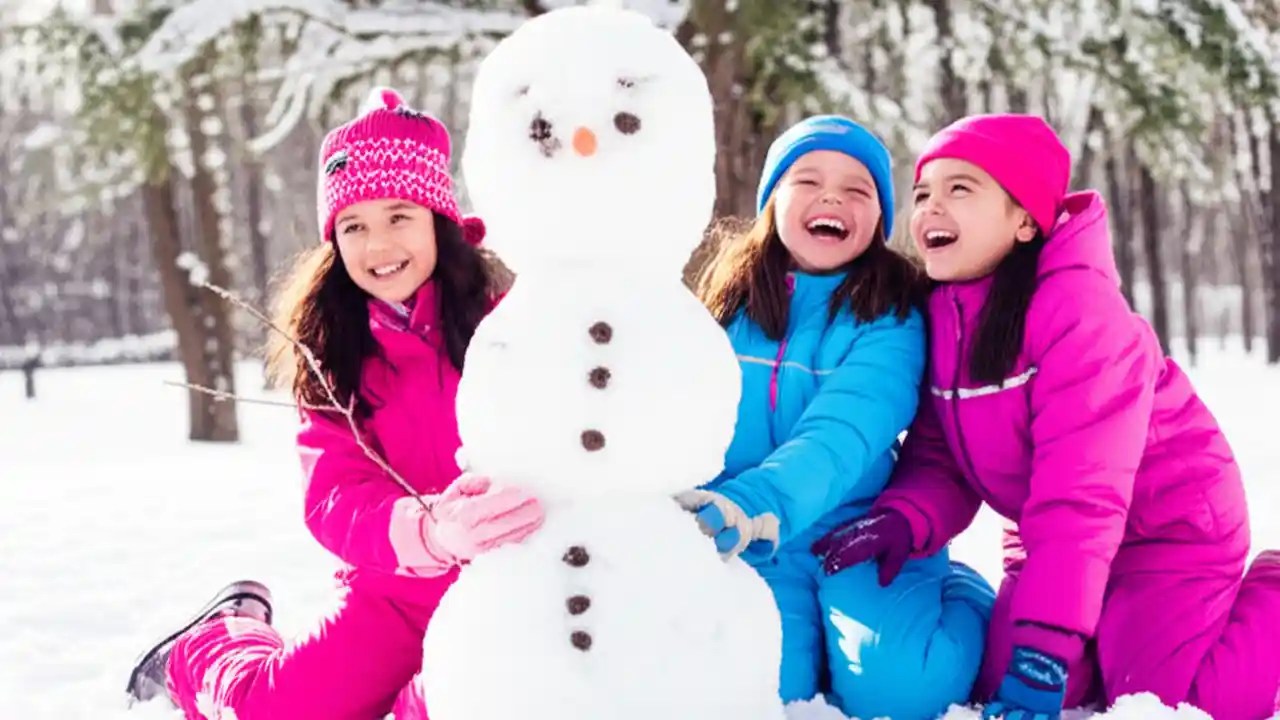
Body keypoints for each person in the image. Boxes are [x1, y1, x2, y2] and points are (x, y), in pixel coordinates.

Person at [815, 113, 1280, 720]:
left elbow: (1082, 496)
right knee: (996, 684)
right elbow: (940, 458)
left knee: (1166, 701)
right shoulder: (942, 315)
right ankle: (1084, 624)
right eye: (923, 193)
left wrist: (1044, 652)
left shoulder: (1082, 316)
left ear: (1025, 221)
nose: (931, 208)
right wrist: (906, 517)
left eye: (961, 189)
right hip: (1054, 538)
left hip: (1166, 531)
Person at [124, 88, 544, 720]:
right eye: (354, 226)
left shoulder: (512, 320)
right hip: (394, 596)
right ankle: (214, 644)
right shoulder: (332, 350)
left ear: (438, 219)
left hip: (514, 585)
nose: (377, 246)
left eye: (398, 216)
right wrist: (427, 530)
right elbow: (333, 495)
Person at [682, 115, 994, 720]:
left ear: (878, 220)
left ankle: (960, 597)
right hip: (747, 542)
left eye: (858, 190)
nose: (832, 197)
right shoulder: (723, 304)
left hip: (858, 532)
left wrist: (752, 501)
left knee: (904, 691)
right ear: (772, 200)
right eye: (808, 180)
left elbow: (843, 434)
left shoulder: (892, 316)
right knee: (772, 694)